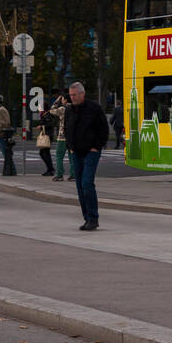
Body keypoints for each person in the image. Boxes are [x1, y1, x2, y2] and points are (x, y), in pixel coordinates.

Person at [64, 81, 109, 231]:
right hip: (76, 151)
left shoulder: (94, 109)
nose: (72, 98)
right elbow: (66, 128)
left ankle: (93, 218)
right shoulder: (70, 110)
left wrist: (97, 147)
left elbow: (103, 129)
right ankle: (87, 218)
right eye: (70, 95)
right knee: (79, 186)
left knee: (86, 183)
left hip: (91, 151)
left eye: (75, 95)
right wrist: (70, 147)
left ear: (82, 94)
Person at [49, 93, 74, 181]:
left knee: (59, 156)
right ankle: (73, 175)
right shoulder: (75, 108)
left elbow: (51, 110)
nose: (62, 100)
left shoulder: (63, 108)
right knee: (72, 157)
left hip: (62, 136)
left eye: (62, 99)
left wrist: (56, 101)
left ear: (66, 100)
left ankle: (59, 174)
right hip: (72, 136)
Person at [36, 104, 55, 176]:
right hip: (46, 135)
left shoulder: (48, 115)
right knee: (43, 153)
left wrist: (41, 126)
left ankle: (50, 170)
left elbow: (50, 125)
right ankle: (50, 169)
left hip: (47, 136)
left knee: (45, 153)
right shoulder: (44, 115)